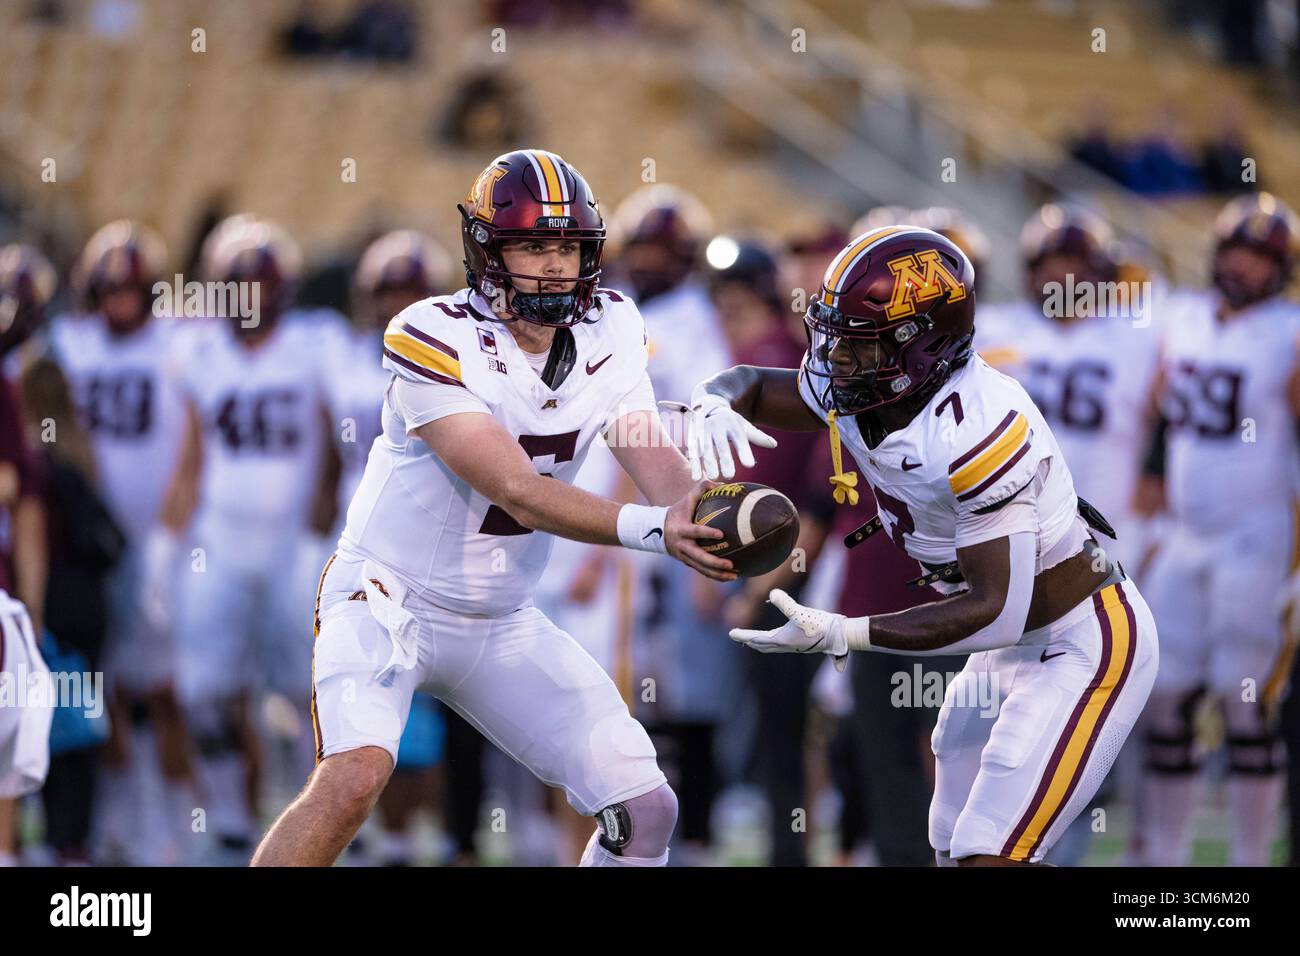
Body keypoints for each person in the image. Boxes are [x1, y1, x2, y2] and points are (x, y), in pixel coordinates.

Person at [252, 148, 733, 868]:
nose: (553, 266)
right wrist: (656, 530)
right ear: (486, 252)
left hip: (499, 617)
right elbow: (517, 490)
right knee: (353, 779)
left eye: (567, 247)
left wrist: (707, 507)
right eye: (533, 245)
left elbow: (646, 445)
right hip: (389, 598)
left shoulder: (614, 328)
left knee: (646, 808)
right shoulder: (430, 335)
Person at [690, 225, 1159, 865]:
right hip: (1006, 645)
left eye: (857, 347)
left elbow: (998, 609)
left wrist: (847, 631)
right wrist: (713, 400)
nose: (834, 362)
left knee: (988, 849)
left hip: (1079, 637)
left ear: (920, 347)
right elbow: (757, 384)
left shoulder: (977, 428)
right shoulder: (873, 388)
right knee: (946, 847)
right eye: (834, 338)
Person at [152, 218, 336, 862]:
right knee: (203, 690)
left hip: (292, 549)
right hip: (219, 544)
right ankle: (230, 815)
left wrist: (321, 536)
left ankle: (312, 811)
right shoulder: (202, 356)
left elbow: (334, 456)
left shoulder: (314, 349)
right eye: (240, 288)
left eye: (260, 287)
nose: (251, 301)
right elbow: (191, 461)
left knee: (307, 689)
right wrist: (164, 546)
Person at [1137, 192, 1300, 866]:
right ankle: (1166, 855)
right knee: (1165, 696)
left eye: (1257, 257)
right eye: (1234, 250)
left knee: (1245, 702)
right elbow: (1161, 417)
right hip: (1184, 534)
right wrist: (1147, 514)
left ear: (1280, 269)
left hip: (1254, 537)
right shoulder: (1184, 319)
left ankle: (1251, 857)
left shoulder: (1289, 333)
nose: (1241, 266)